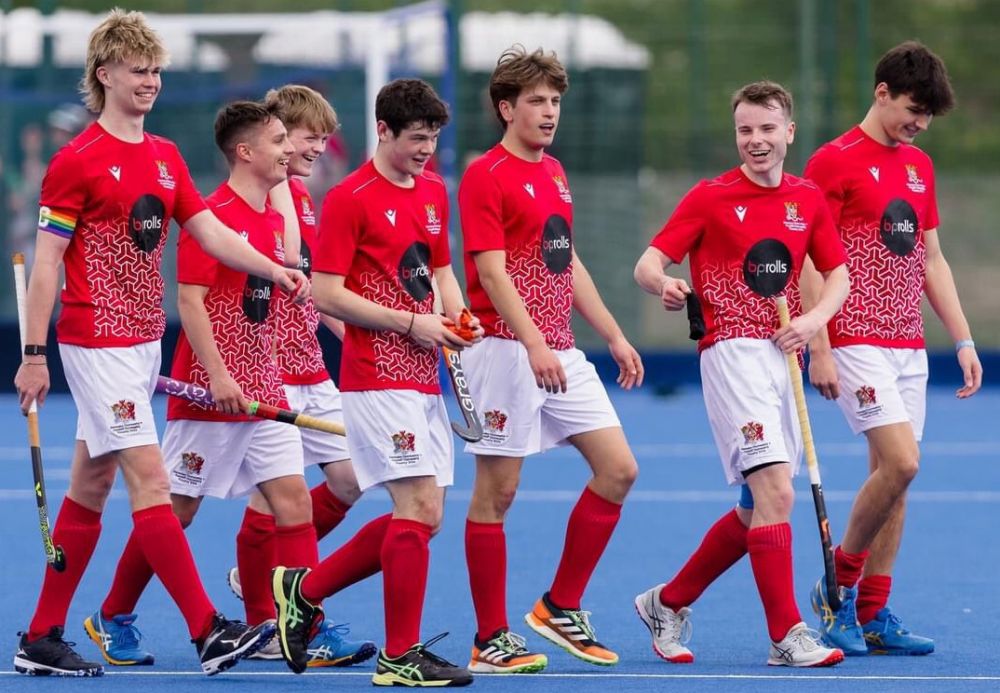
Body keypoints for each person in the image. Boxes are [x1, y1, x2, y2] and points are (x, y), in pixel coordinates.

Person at [12, 10, 305, 677]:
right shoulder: (76, 161)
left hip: (141, 345)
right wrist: (33, 356)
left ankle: (40, 635)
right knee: (151, 477)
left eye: (155, 71)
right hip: (96, 338)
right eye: (137, 70)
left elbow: (210, 235)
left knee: (91, 482)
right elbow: (48, 263)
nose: (149, 81)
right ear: (104, 74)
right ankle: (208, 628)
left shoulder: (167, 158)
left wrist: (273, 267)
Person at [84, 100, 320, 668]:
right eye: (279, 141)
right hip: (211, 394)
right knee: (177, 510)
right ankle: (112, 616)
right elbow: (189, 302)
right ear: (245, 152)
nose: (290, 150)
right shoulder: (211, 216)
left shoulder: (272, 219)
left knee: (295, 505)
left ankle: (300, 626)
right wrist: (217, 374)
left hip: (265, 392)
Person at [632, 80, 850, 667]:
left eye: (766, 128)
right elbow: (647, 263)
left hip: (784, 356)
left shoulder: (808, 199)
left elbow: (838, 276)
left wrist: (814, 324)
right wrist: (666, 284)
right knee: (777, 491)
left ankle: (667, 602)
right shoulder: (710, 197)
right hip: (730, 353)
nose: (755, 140)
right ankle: (786, 634)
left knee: (758, 509)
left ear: (789, 133)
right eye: (745, 130)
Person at [271, 78, 479, 687]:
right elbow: (328, 292)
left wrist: (457, 314)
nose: (425, 152)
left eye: (433, 140)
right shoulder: (349, 198)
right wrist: (412, 321)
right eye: (416, 139)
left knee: (428, 514)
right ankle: (399, 656)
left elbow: (439, 268)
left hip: (422, 378)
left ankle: (302, 589)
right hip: (374, 378)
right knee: (414, 506)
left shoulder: (436, 190)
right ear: (383, 131)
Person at [457, 45, 643, 672]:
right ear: (505, 107)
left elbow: (566, 259)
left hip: (558, 350)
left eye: (555, 101)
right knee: (498, 493)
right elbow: (492, 269)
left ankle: (560, 606)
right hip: (505, 352)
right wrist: (534, 341)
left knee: (618, 470)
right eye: (536, 100)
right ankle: (489, 639)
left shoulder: (554, 171)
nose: (548, 111)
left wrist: (613, 334)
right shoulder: (486, 174)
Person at [801, 40, 982, 656]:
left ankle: (873, 613)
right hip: (853, 336)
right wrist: (819, 345)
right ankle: (837, 584)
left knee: (894, 481)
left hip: (909, 343)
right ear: (882, 93)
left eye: (928, 116)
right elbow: (808, 259)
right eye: (912, 109)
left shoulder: (918, 166)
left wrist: (961, 338)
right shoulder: (833, 161)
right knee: (903, 462)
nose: (920, 124)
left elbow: (932, 259)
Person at [221, 84, 375, 668]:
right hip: (269, 369)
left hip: (307, 363)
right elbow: (281, 262)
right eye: (306, 135)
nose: (319, 145)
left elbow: (313, 295)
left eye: (321, 136)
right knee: (206, 502)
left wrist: (363, 335)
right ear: (274, 137)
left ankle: (257, 579)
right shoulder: (271, 197)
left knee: (347, 482)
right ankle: (285, 614)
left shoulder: (305, 198)